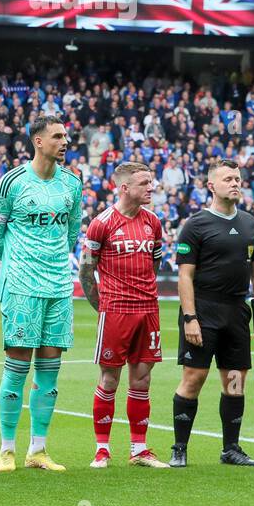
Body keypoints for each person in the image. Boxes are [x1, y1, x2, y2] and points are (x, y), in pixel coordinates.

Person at [0, 116, 82, 472]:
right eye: (58, 136)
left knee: (50, 368)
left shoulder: (72, 183)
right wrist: (16, 262)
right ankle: (6, 449)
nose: (65, 141)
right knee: (17, 366)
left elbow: (72, 231)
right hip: (22, 284)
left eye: (66, 136)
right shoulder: (12, 182)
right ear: (38, 142)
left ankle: (37, 450)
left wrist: (51, 259)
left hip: (58, 284)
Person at [170, 159, 254, 467]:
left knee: (234, 381)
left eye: (238, 179)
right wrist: (190, 318)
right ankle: (179, 448)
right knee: (194, 377)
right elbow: (185, 276)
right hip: (203, 308)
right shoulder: (196, 225)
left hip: (236, 310)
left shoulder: (251, 224)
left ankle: (231, 449)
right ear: (211, 185)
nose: (236, 183)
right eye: (228, 179)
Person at [79, 162, 169, 468]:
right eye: (144, 183)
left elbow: (154, 265)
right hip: (115, 311)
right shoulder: (101, 224)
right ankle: (102, 449)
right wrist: (103, 306)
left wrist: (144, 292)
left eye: (150, 182)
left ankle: (138, 449)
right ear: (125, 188)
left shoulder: (153, 223)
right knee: (109, 378)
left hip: (148, 310)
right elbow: (86, 272)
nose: (150, 187)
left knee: (142, 380)